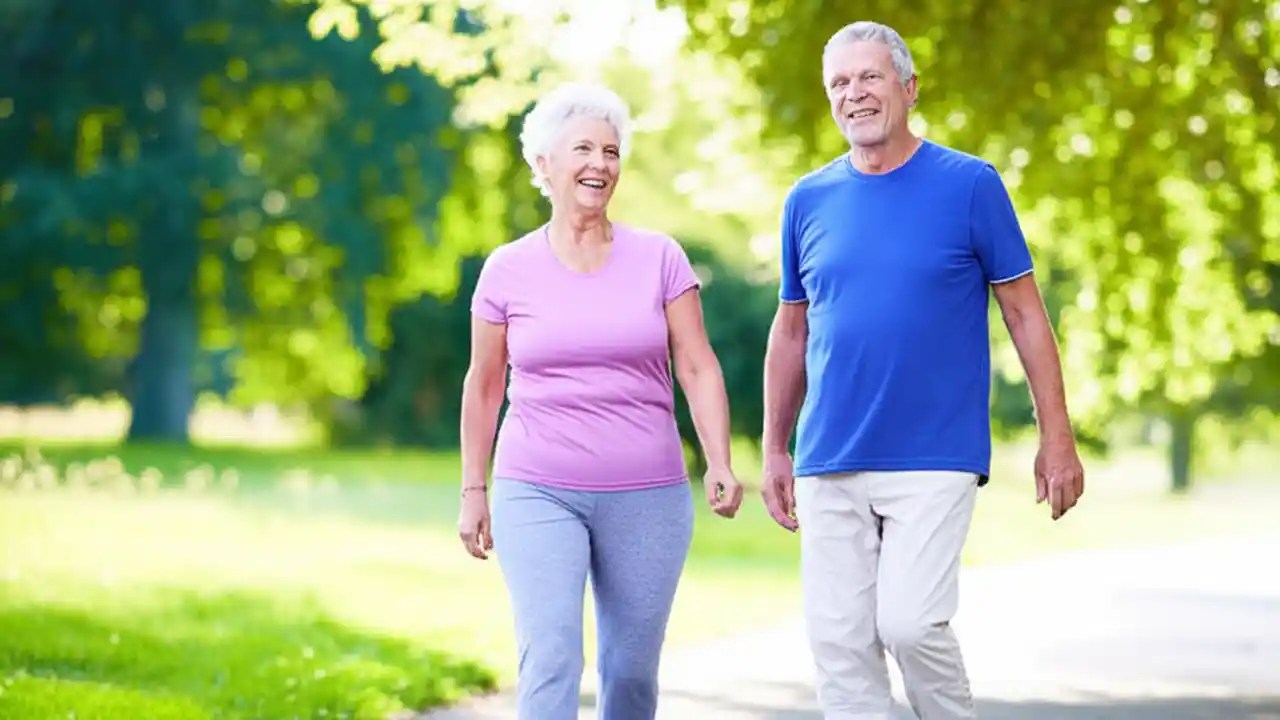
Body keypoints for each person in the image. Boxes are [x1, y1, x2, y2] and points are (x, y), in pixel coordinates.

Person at [760, 20, 1086, 720]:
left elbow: (1026, 314)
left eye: (869, 76)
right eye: (839, 83)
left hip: (935, 451)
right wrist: (774, 449)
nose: (854, 94)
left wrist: (1055, 436)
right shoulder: (807, 200)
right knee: (841, 646)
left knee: (909, 624)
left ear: (908, 88)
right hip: (829, 454)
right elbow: (791, 330)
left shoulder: (970, 185)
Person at [456, 81, 744, 720]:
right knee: (552, 656)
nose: (600, 164)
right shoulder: (507, 269)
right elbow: (483, 384)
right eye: (583, 149)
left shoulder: (659, 257)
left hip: (648, 493)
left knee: (631, 674)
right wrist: (474, 489)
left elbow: (697, 367)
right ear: (543, 165)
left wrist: (720, 461)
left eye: (611, 152)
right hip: (537, 488)